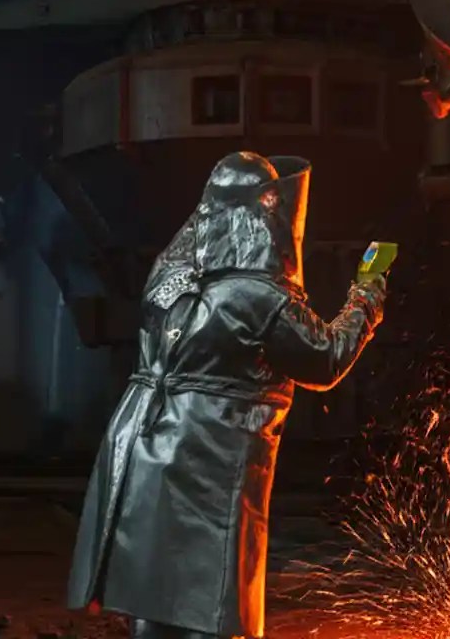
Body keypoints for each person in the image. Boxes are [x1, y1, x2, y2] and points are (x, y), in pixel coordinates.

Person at [66, 152, 388, 639]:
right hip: (211, 455)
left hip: (146, 448)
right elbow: (324, 359)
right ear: (266, 213)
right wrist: (366, 293)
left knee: (154, 601)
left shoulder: (167, 276)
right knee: (213, 603)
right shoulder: (259, 296)